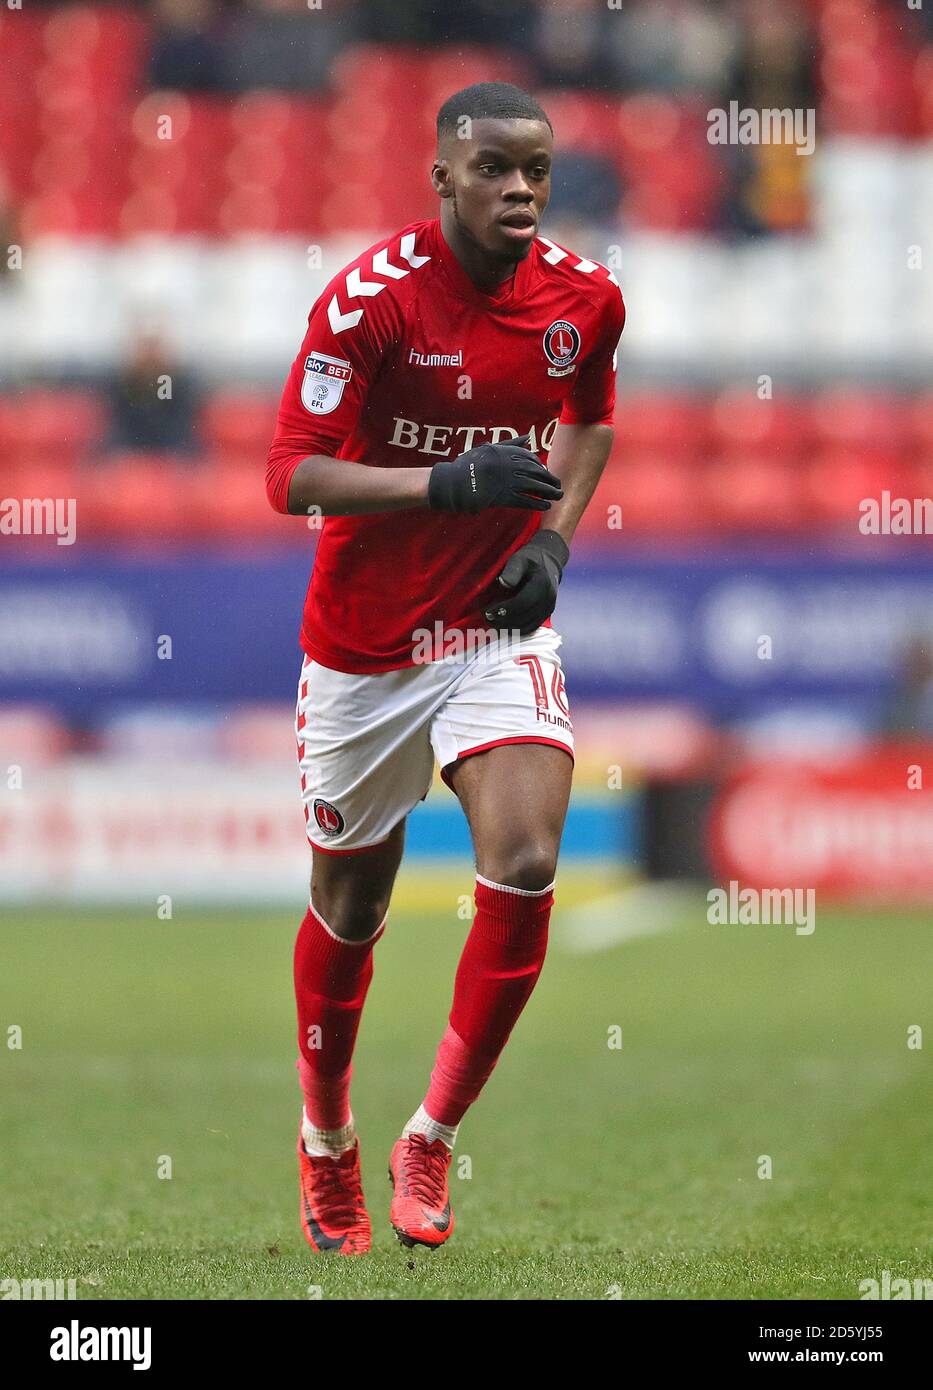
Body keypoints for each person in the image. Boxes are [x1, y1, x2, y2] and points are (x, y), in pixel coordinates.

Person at [266, 81, 625, 1254]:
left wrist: (556, 544)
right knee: (351, 908)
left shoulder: (584, 299)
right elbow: (292, 475)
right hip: (365, 648)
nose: (518, 189)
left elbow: (591, 417)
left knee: (522, 858)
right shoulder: (368, 303)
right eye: (493, 170)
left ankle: (431, 1134)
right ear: (442, 177)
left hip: (491, 629)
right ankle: (328, 1143)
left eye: (536, 171)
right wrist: (449, 481)